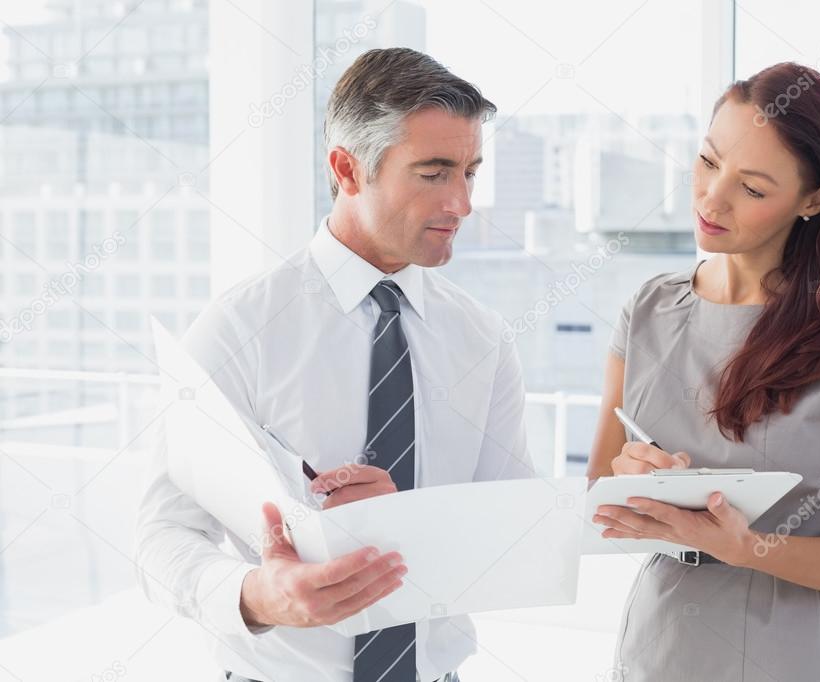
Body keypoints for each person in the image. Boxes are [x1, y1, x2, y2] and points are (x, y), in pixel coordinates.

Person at [135, 47, 534, 682]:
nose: (461, 203)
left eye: (469, 172)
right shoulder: (239, 329)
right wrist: (258, 597)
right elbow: (163, 536)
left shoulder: (483, 338)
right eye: (433, 174)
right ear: (348, 170)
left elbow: (512, 532)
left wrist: (407, 522)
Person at [588, 62, 820, 681]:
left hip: (797, 656)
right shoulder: (648, 310)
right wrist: (631, 480)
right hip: (662, 644)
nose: (711, 198)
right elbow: (599, 498)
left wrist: (746, 548)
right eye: (707, 161)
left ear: (814, 199)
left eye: (751, 188)